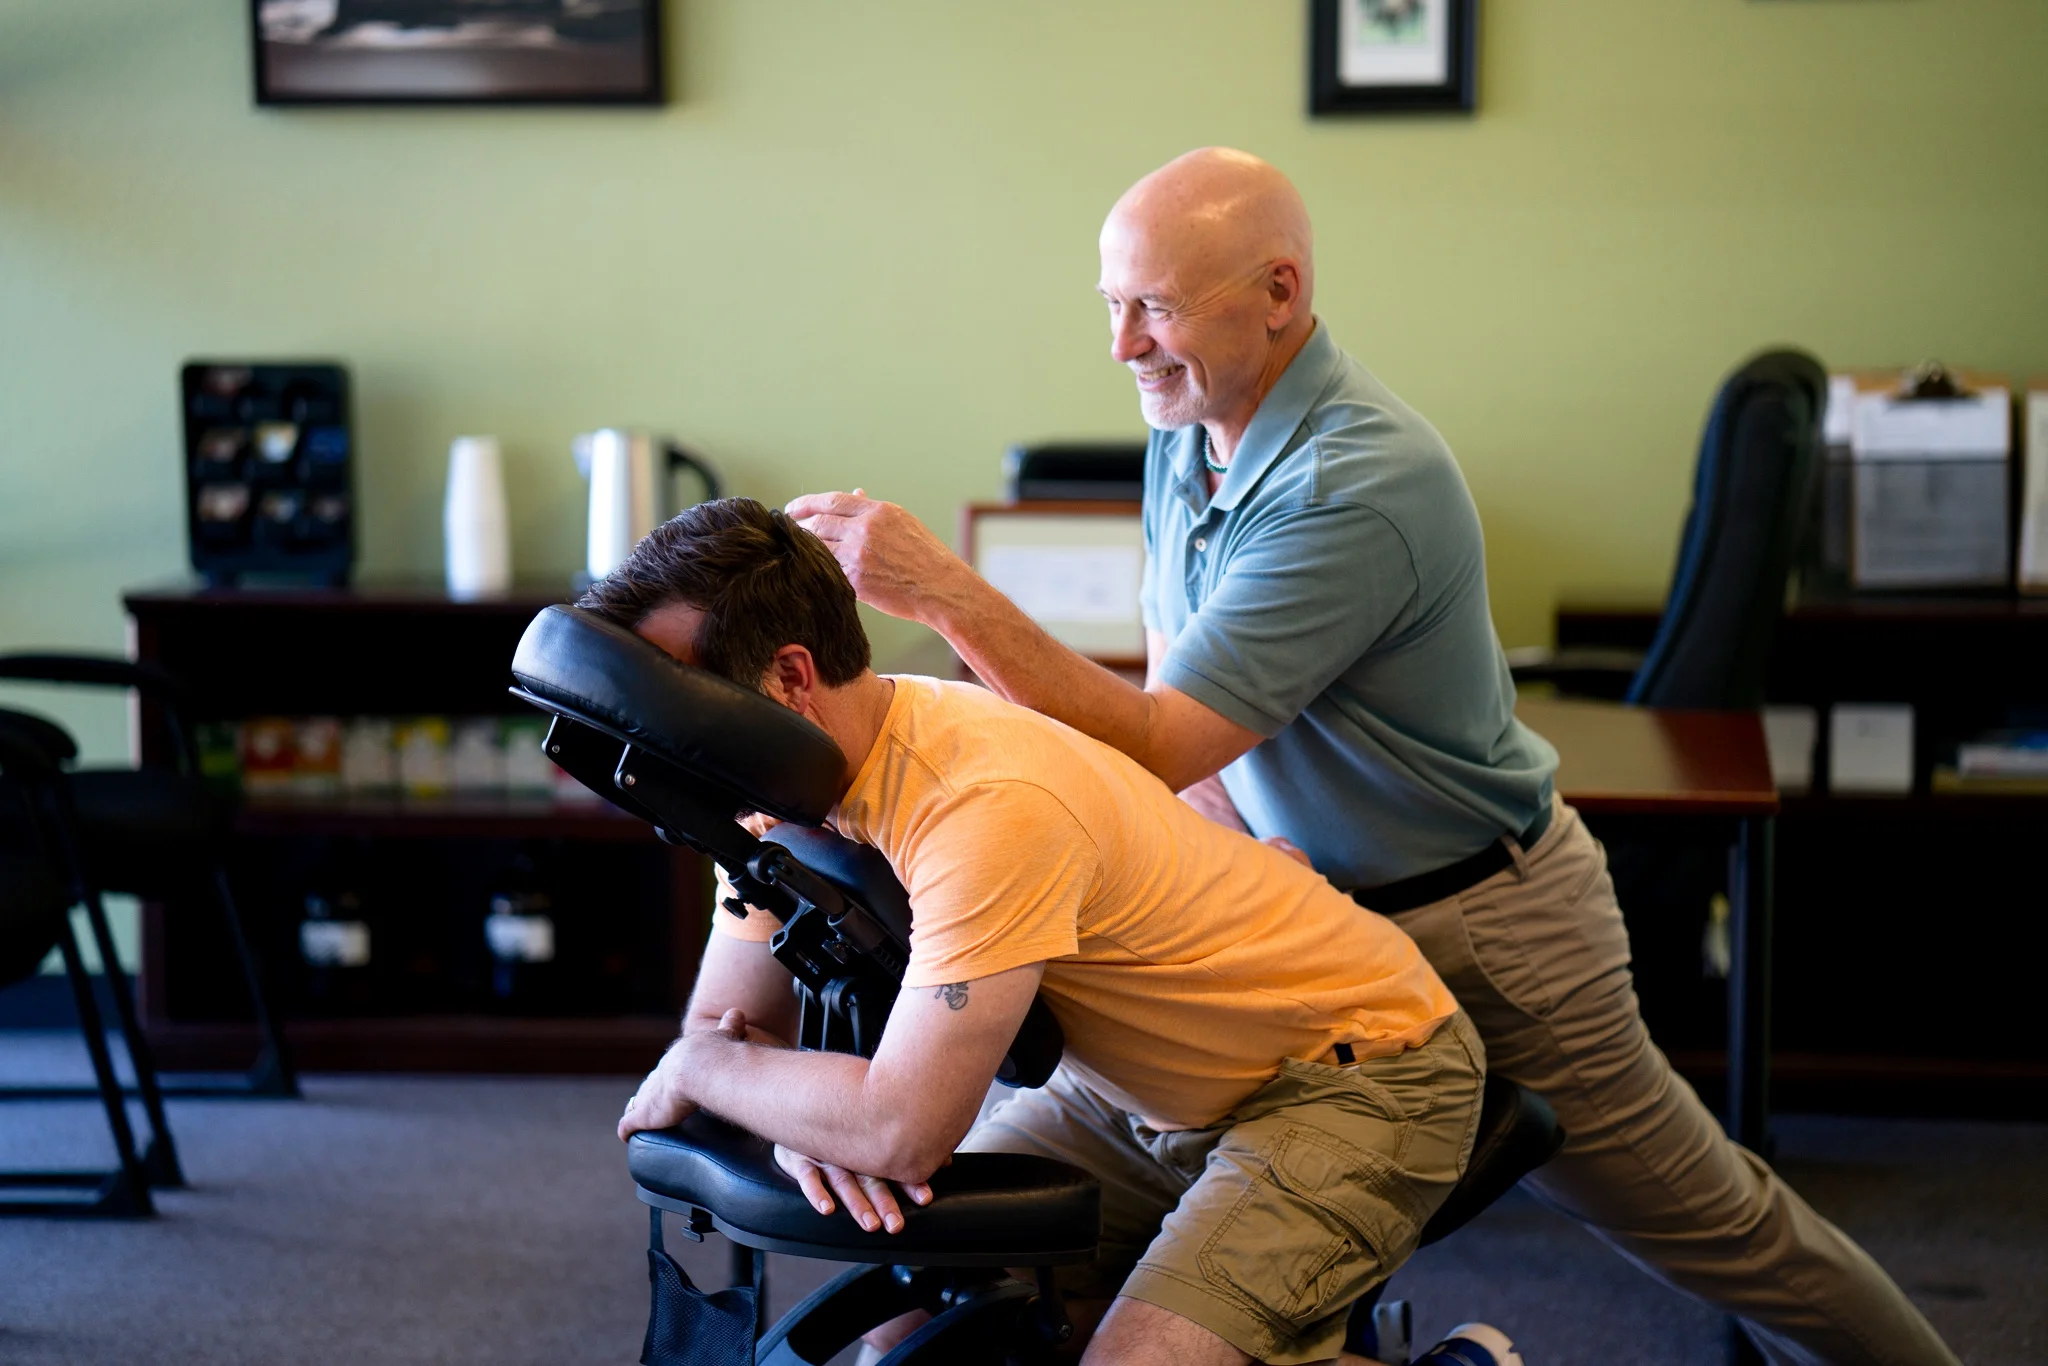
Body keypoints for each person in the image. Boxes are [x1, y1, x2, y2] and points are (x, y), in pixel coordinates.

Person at [786, 148, 1958, 1366]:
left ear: (1278, 292)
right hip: (1313, 932)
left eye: (1156, 307)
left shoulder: (1358, 481)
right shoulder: (1188, 436)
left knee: (1723, 1232)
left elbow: (1155, 733)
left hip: (1484, 925)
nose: (1125, 344)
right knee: (1092, 1237)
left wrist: (940, 592)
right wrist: (1226, 847)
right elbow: (1168, 696)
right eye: (1111, 305)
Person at [601, 498, 1504, 1366]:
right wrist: (798, 1106)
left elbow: (893, 1127)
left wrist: (735, 1081)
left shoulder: (981, 807)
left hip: (1355, 1076)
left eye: (687, 698)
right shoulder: (770, 795)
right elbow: (739, 1030)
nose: (671, 737)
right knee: (914, 1320)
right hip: (1133, 1092)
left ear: (790, 678)